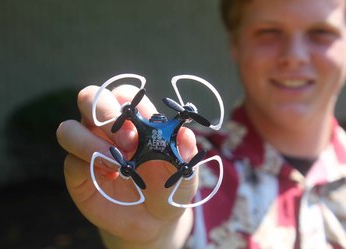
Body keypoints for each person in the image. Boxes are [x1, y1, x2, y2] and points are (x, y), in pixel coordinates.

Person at [56, 0, 346, 248]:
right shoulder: (193, 163)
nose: (294, 56)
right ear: (235, 44)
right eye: (269, 32)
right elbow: (174, 219)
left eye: (321, 32)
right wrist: (151, 234)